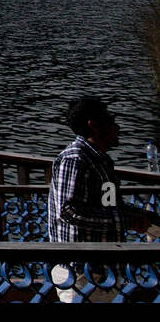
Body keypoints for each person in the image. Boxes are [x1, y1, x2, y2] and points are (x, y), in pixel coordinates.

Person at [48, 97, 160, 302]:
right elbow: (69, 211)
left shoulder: (101, 161)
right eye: (112, 120)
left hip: (102, 270)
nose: (117, 127)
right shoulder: (75, 159)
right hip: (80, 273)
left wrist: (140, 216)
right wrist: (127, 221)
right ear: (94, 125)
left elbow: (109, 207)